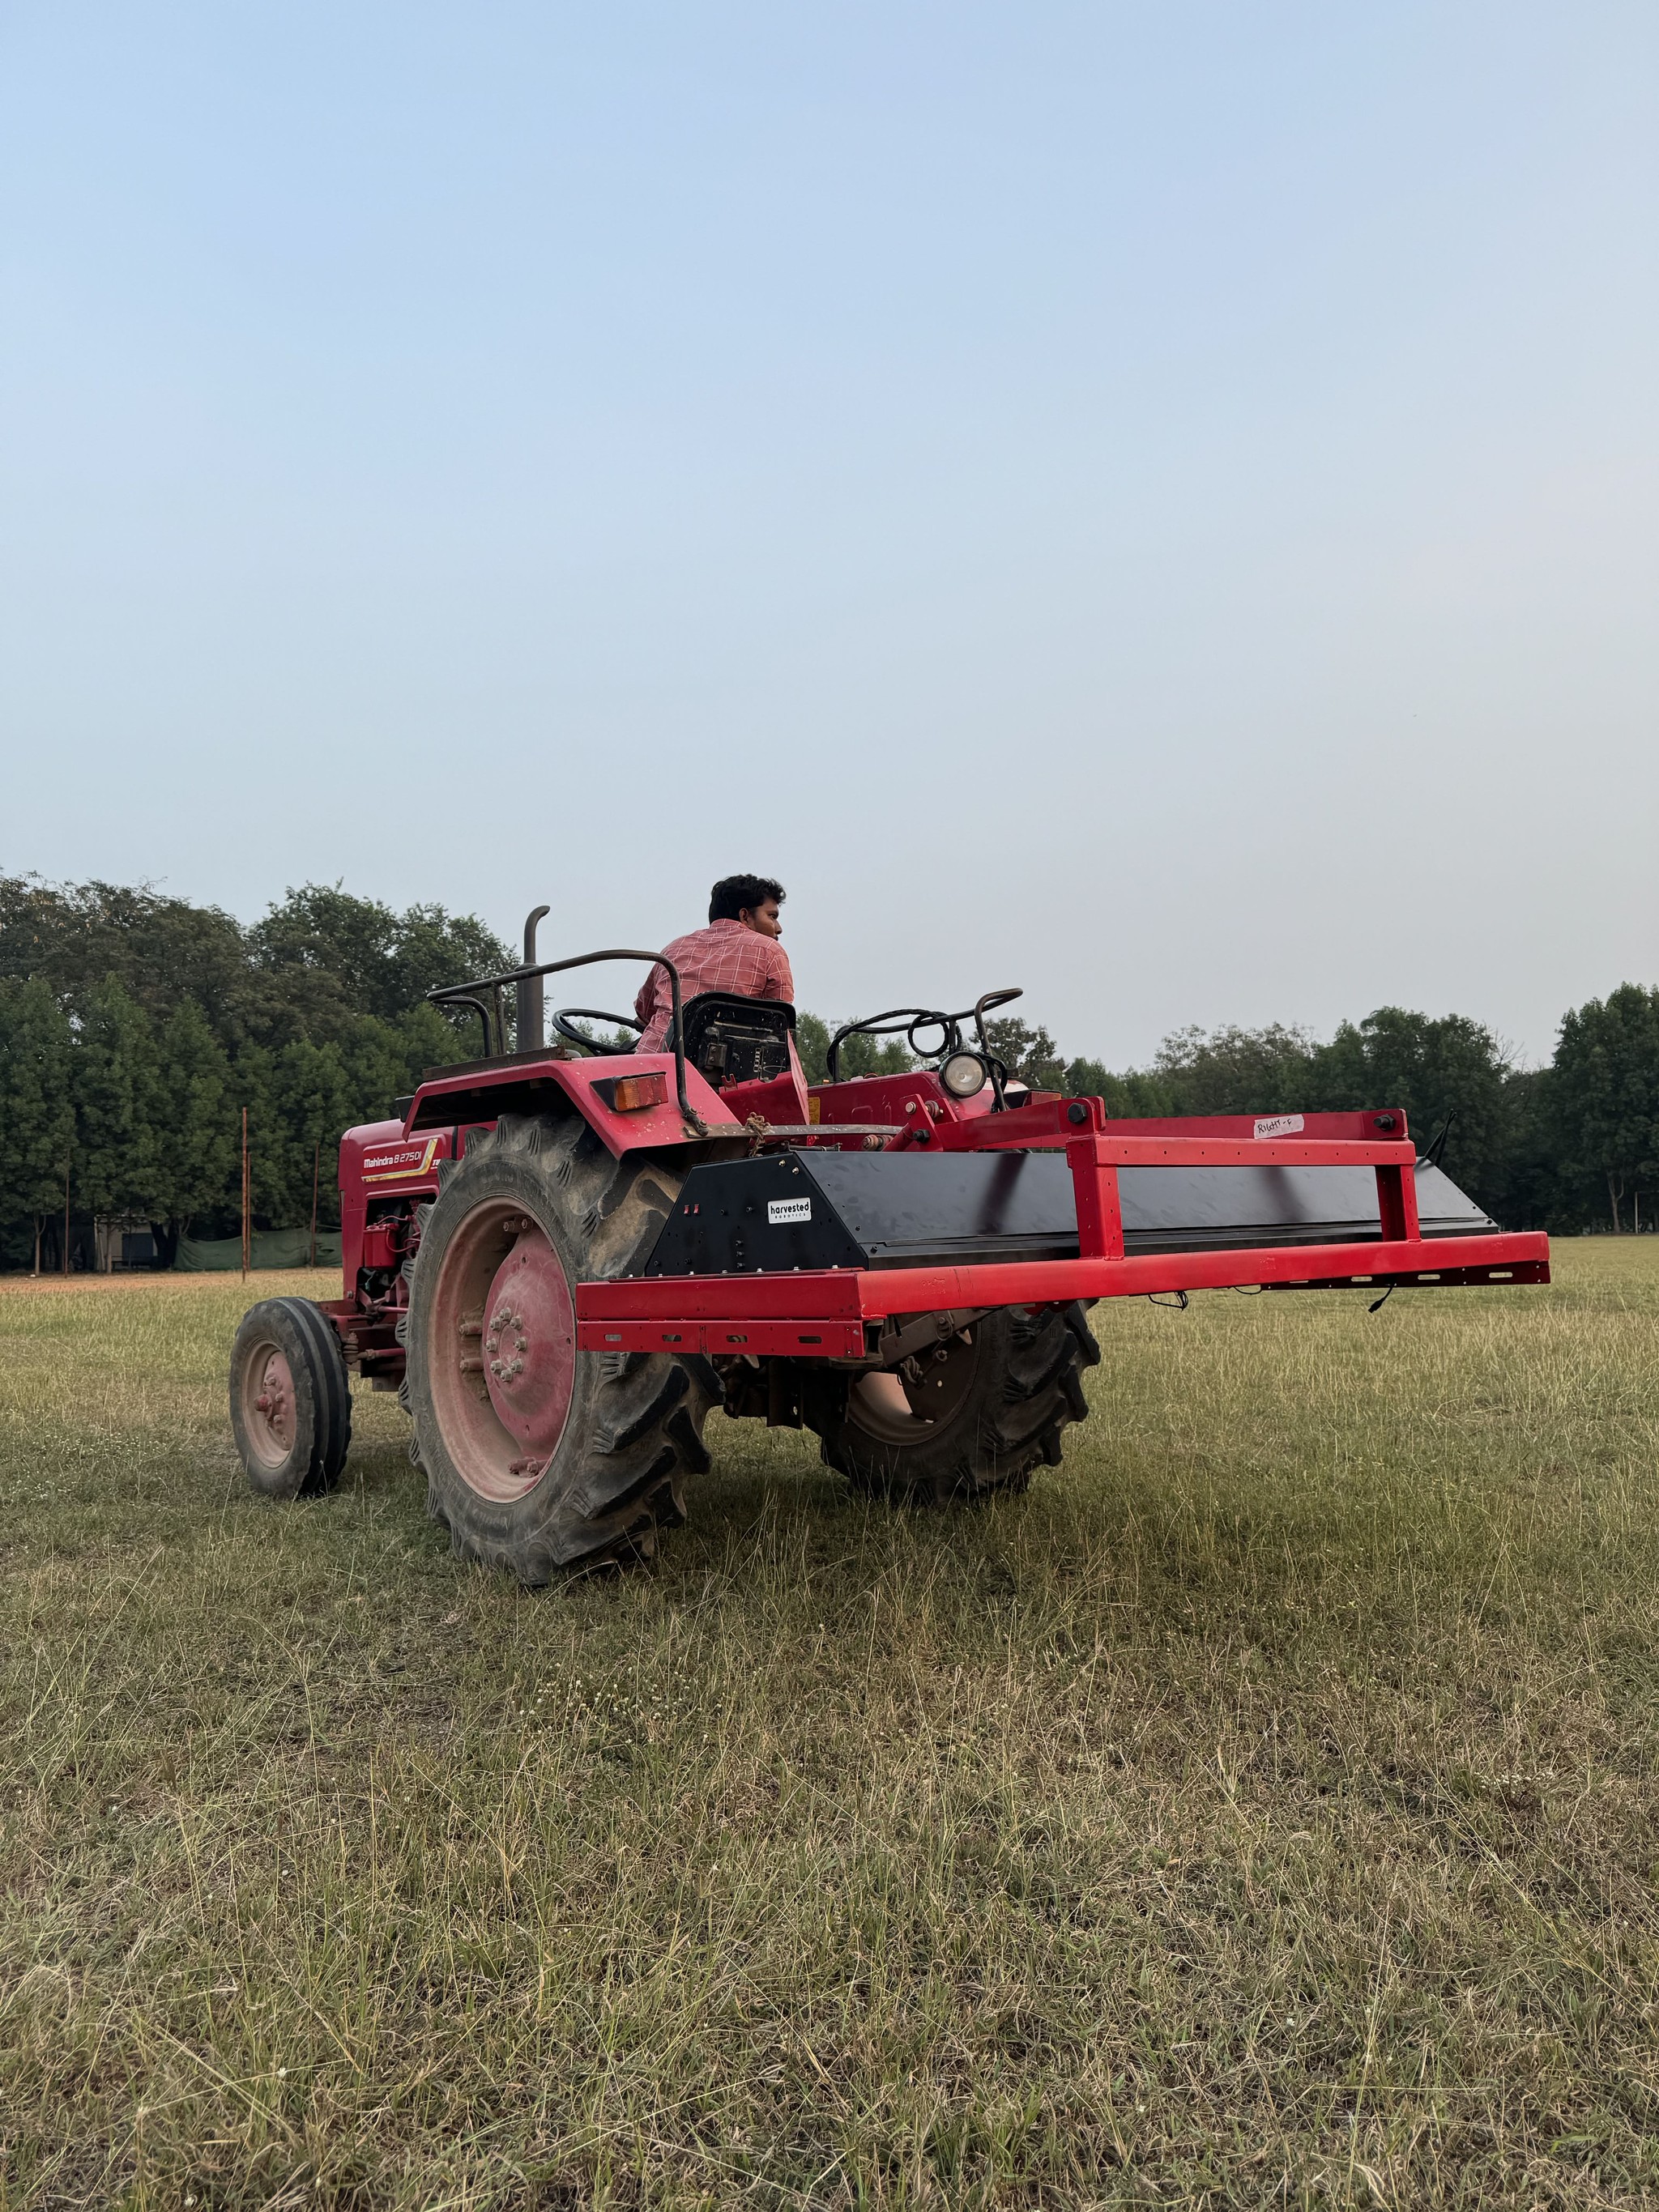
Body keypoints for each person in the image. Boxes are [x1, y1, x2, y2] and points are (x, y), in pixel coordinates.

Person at [633, 874, 794, 1050]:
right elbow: (779, 1024)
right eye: (772, 916)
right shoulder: (770, 951)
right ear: (745, 916)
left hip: (651, 1062)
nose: (778, 928)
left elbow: (644, 1013)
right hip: (724, 1070)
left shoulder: (673, 949)